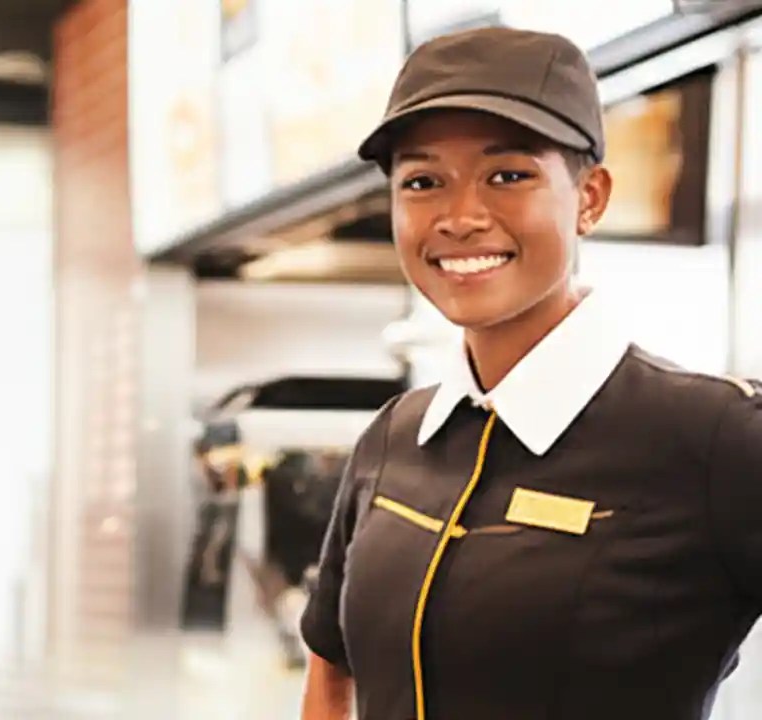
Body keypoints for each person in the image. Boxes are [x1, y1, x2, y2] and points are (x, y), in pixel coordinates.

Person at [298, 26, 762, 720]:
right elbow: (331, 673)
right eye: (423, 182)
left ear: (590, 198)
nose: (460, 217)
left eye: (508, 175)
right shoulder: (395, 436)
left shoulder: (714, 438)